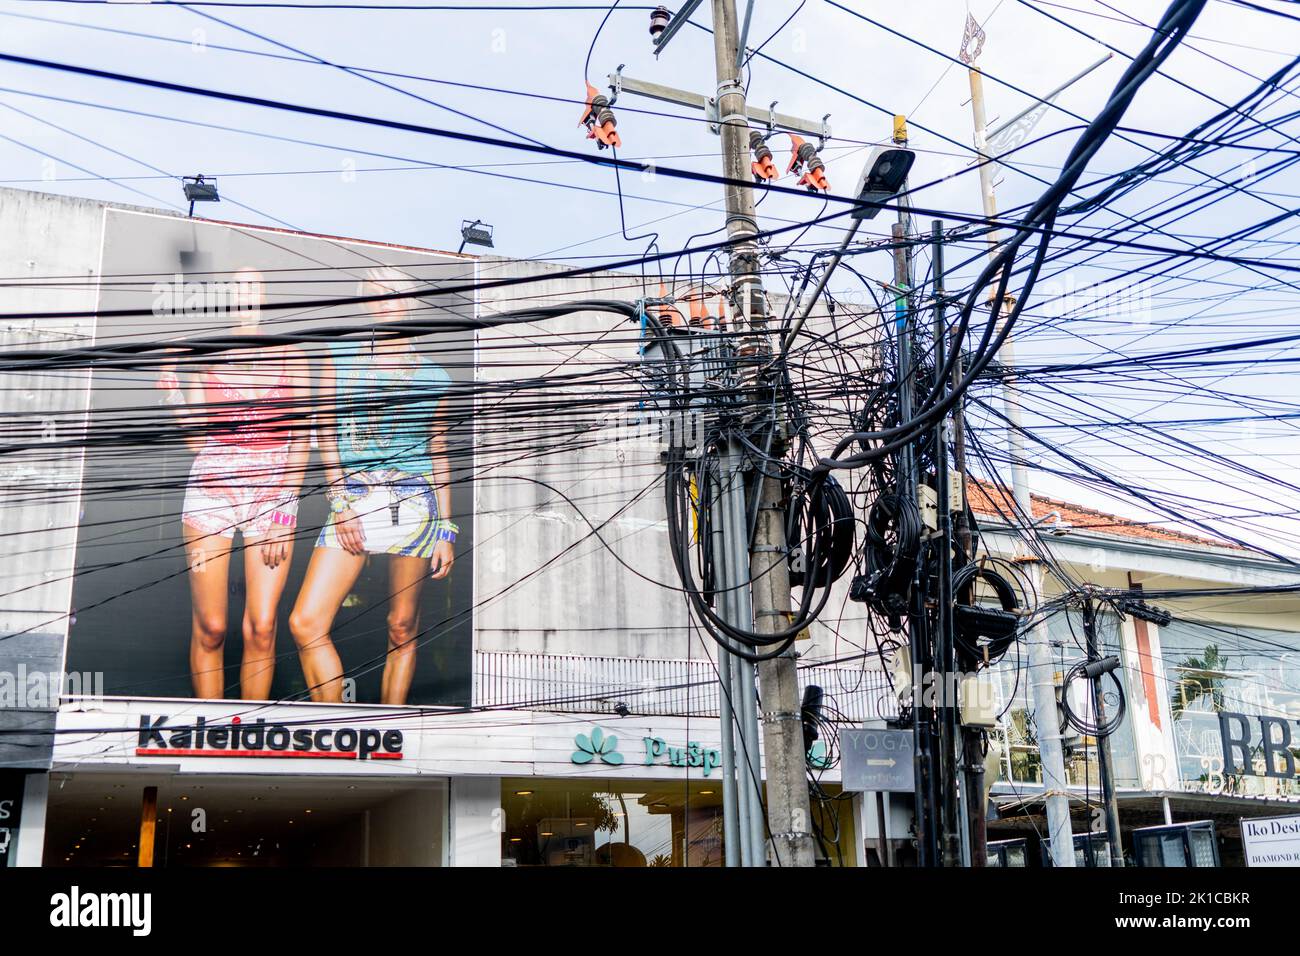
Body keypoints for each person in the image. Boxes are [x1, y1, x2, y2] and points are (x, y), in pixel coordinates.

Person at [289, 266, 455, 705]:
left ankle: (389, 729)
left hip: (415, 501)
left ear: (412, 303)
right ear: (367, 303)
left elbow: (437, 450)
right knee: (306, 622)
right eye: (377, 294)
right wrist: (340, 502)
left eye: (396, 294)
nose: (386, 302)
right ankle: (336, 724)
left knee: (403, 624)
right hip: (355, 497)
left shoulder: (436, 378)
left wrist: (447, 531)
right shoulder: (341, 356)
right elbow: (323, 429)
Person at [156, 268, 310, 700]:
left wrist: (283, 511)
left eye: (253, 287)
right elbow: (199, 443)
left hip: (273, 496)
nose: (244, 296)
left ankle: (249, 731)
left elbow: (303, 437)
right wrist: (172, 390)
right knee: (212, 626)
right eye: (236, 288)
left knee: (261, 625)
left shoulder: (289, 355)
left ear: (264, 295)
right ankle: (211, 730)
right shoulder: (209, 356)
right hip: (212, 489)